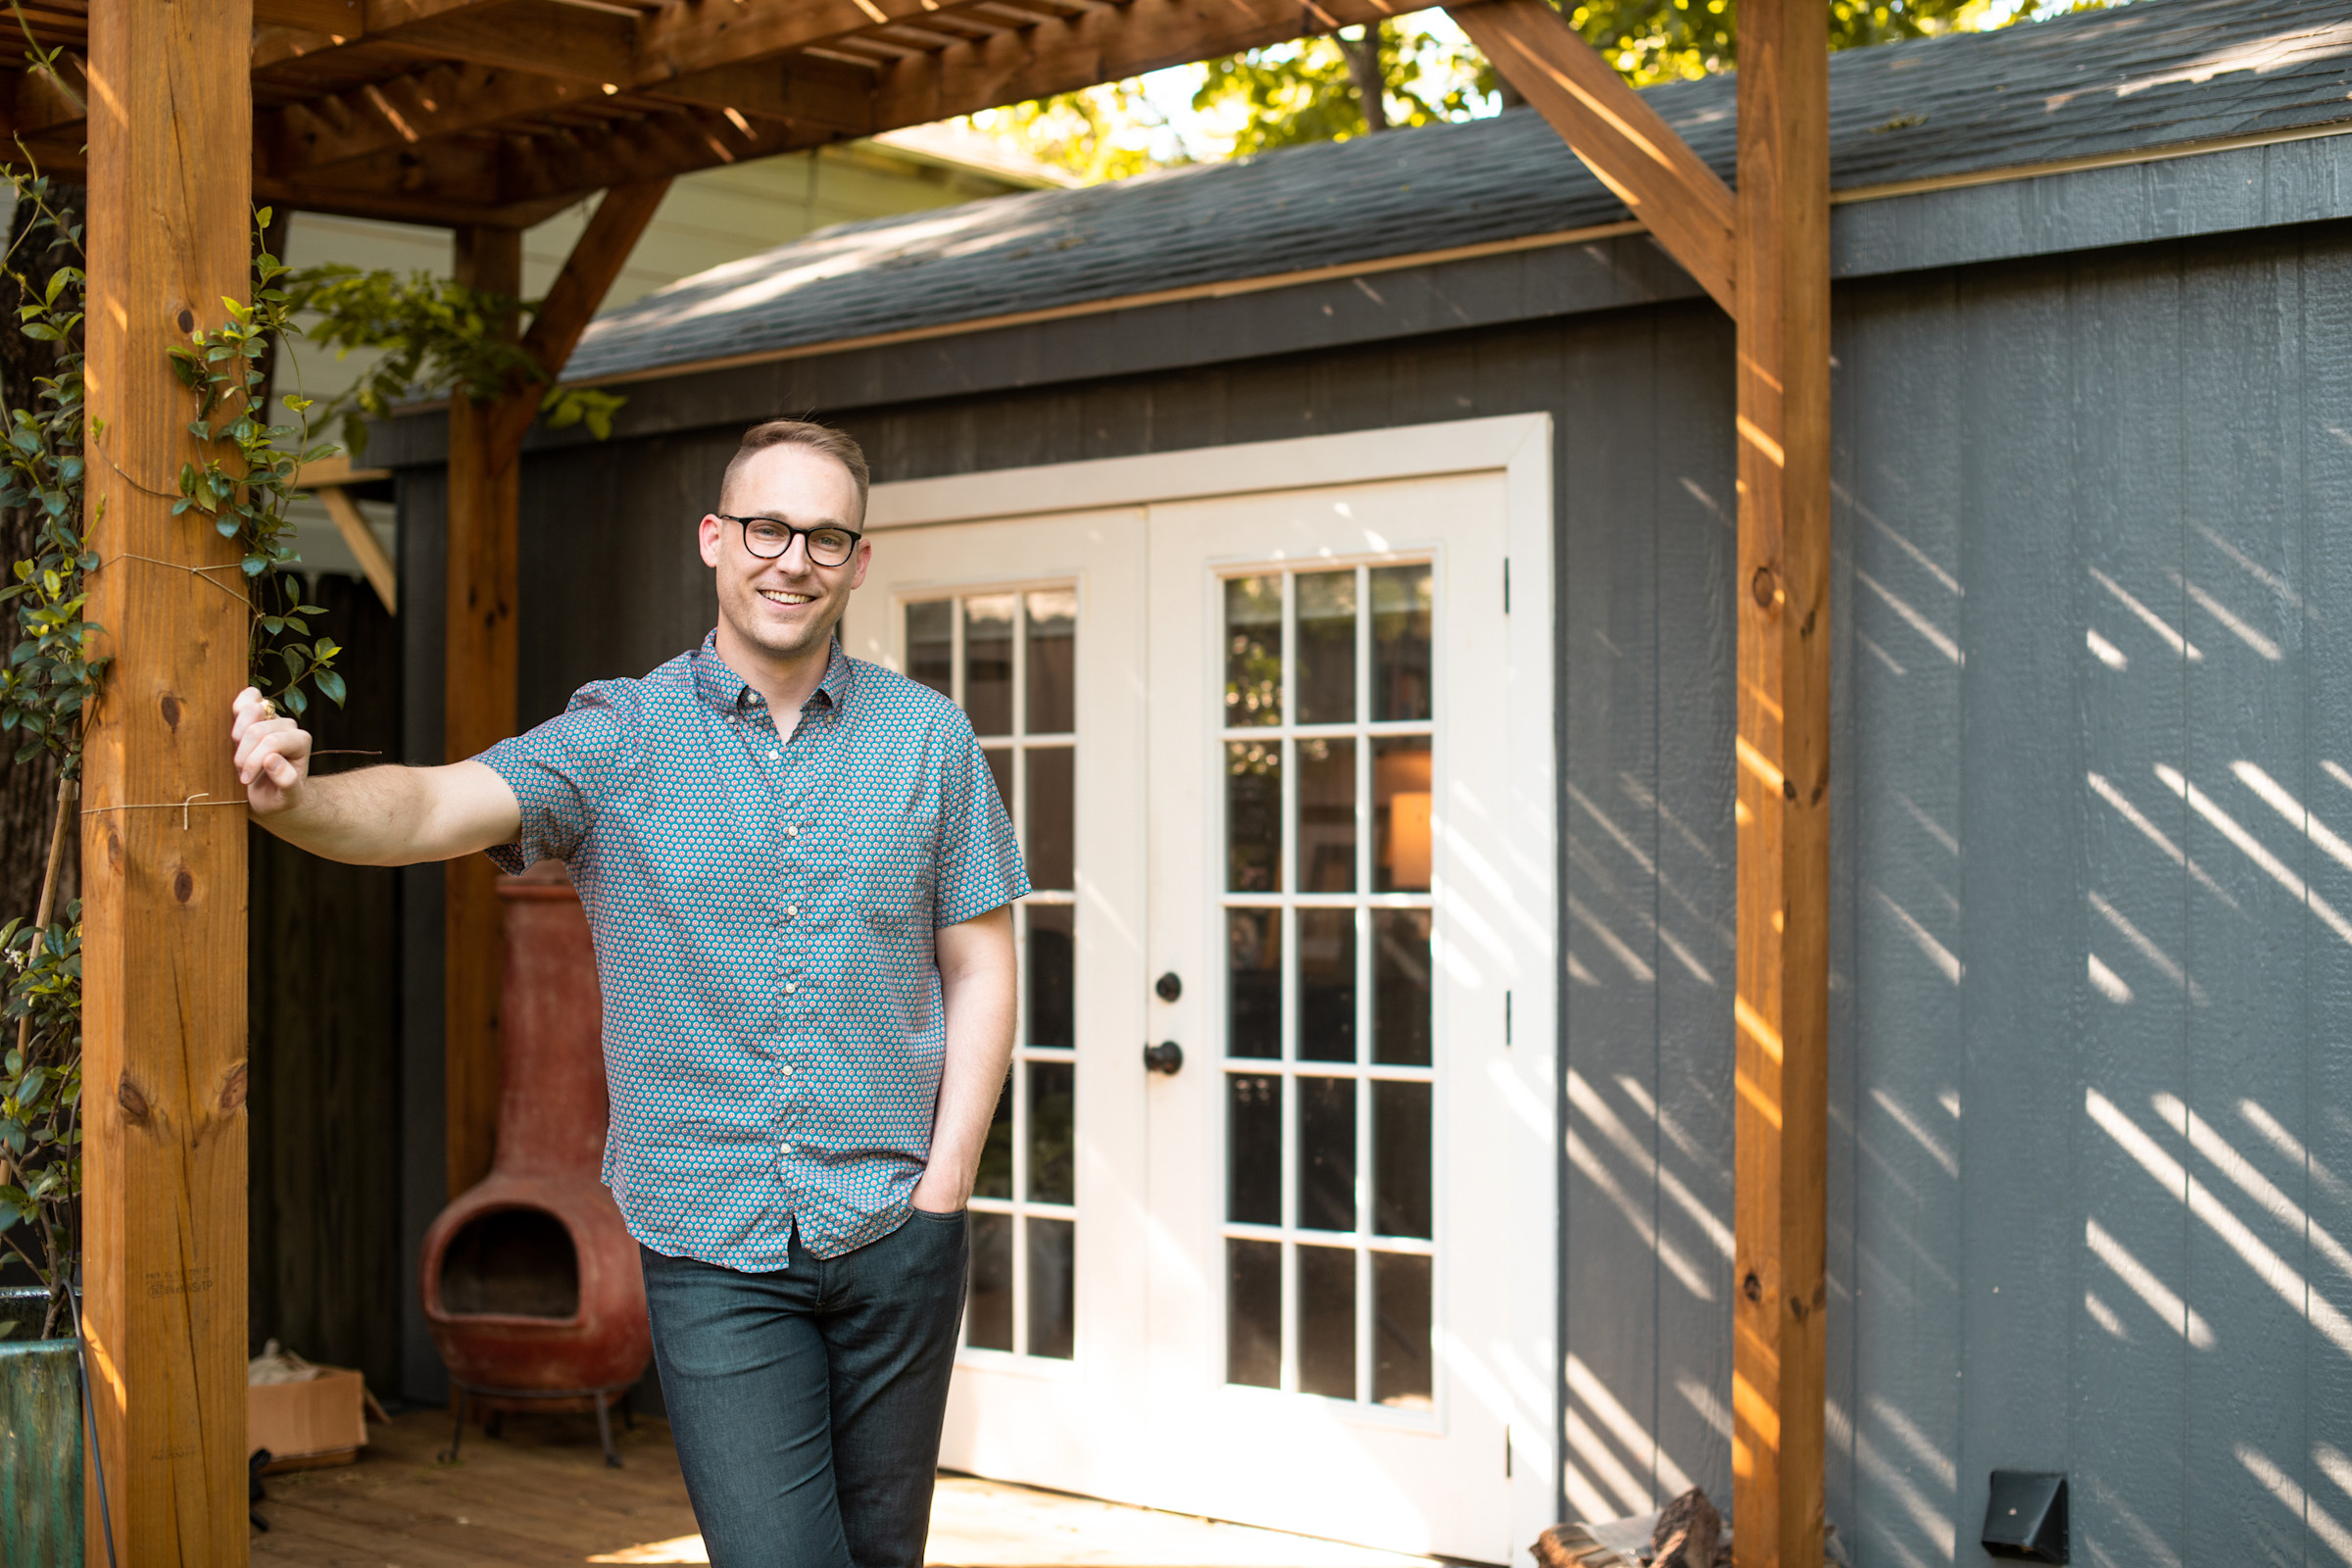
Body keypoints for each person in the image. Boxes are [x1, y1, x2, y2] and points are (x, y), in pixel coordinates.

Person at [232, 419, 1025, 1568]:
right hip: (709, 1242)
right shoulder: (621, 736)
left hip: (899, 1229)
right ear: (714, 538)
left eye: (823, 535)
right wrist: (296, 803)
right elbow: (434, 806)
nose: (790, 558)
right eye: (765, 527)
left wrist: (947, 1184)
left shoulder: (929, 740)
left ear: (859, 561)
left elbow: (981, 961)